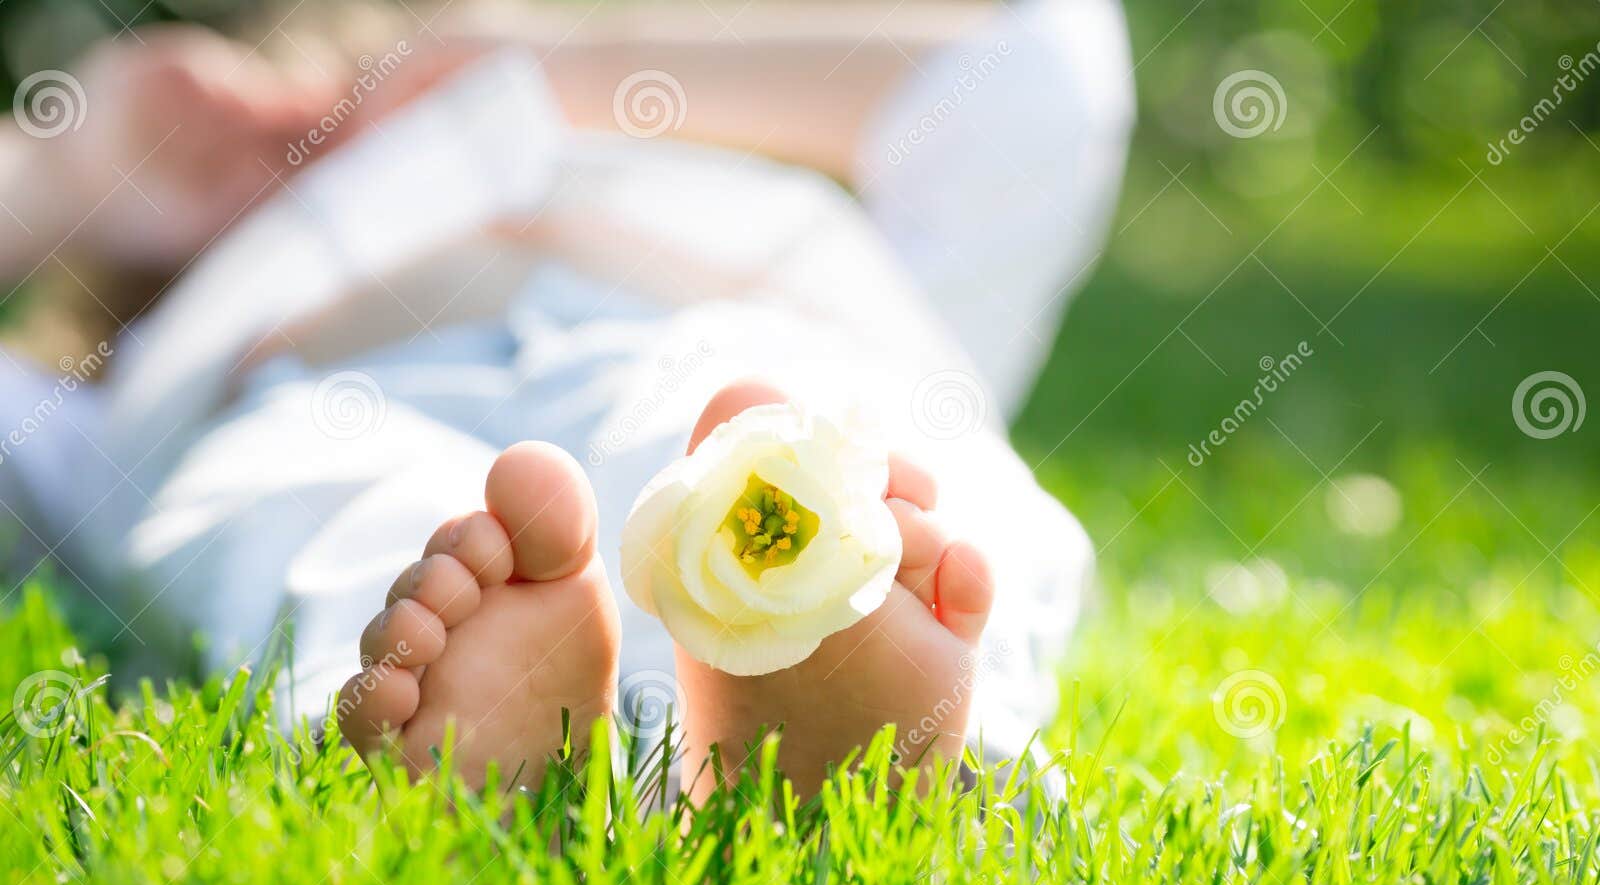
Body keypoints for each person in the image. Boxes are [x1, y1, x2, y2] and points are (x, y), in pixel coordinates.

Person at [0, 1, 1134, 800]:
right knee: (372, 528)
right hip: (312, 397)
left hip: (721, 338)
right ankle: (479, 733)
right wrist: (57, 173)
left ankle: (834, 690)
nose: (274, 132)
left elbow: (1039, 80)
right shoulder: (124, 389)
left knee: (817, 460)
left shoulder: (678, 174)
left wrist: (545, 68)